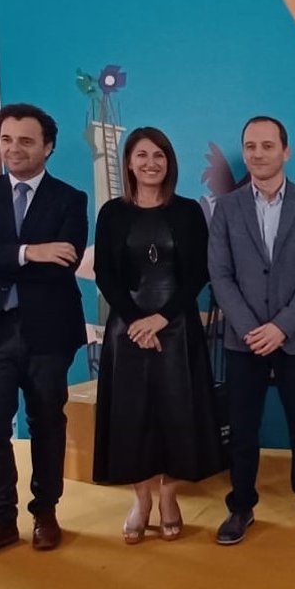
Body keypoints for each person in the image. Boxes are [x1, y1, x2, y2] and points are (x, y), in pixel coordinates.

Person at [0, 103, 89, 567]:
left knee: (47, 423)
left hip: (48, 332)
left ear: (48, 147)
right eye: (6, 139)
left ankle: (45, 512)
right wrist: (29, 252)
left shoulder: (70, 199)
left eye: (26, 141)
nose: (13, 149)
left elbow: (61, 265)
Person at [92, 126, 225, 544]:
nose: (151, 163)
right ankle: (141, 500)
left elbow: (198, 273)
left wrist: (161, 319)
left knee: (177, 415)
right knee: (132, 417)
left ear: (169, 163)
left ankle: (169, 496)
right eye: (142, 155)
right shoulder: (112, 213)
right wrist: (136, 321)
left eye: (159, 156)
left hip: (177, 326)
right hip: (127, 329)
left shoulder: (187, 212)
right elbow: (105, 274)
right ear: (129, 163)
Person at [208, 116, 295, 545]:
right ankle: (241, 506)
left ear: (286, 151)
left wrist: (281, 327)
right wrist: (250, 329)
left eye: (267, 145)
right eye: (250, 146)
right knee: (243, 429)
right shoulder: (226, 208)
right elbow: (220, 275)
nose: (258, 154)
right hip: (244, 341)